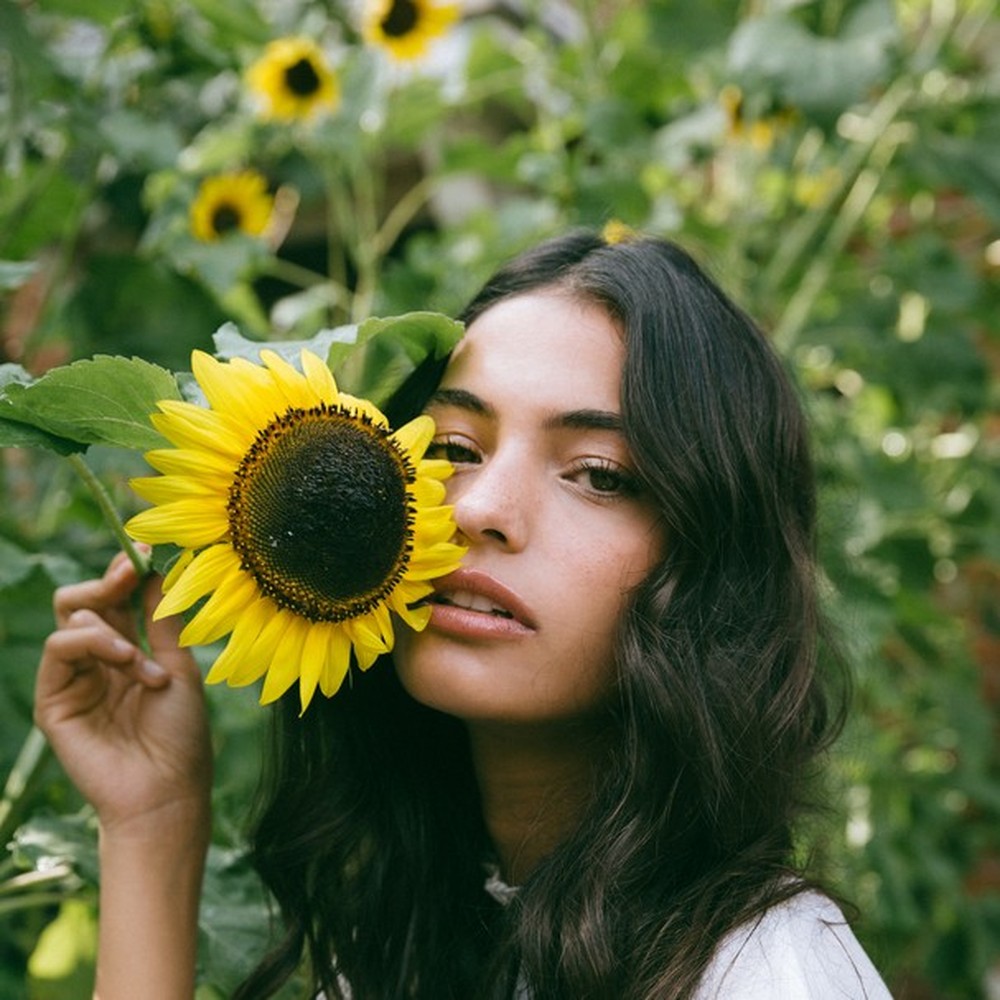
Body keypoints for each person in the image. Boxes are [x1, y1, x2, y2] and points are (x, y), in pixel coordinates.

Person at [34, 230, 892, 999]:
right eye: (452, 448)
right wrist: (151, 825)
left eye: (598, 474)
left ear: (710, 562)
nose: (478, 507)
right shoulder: (410, 934)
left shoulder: (765, 975)